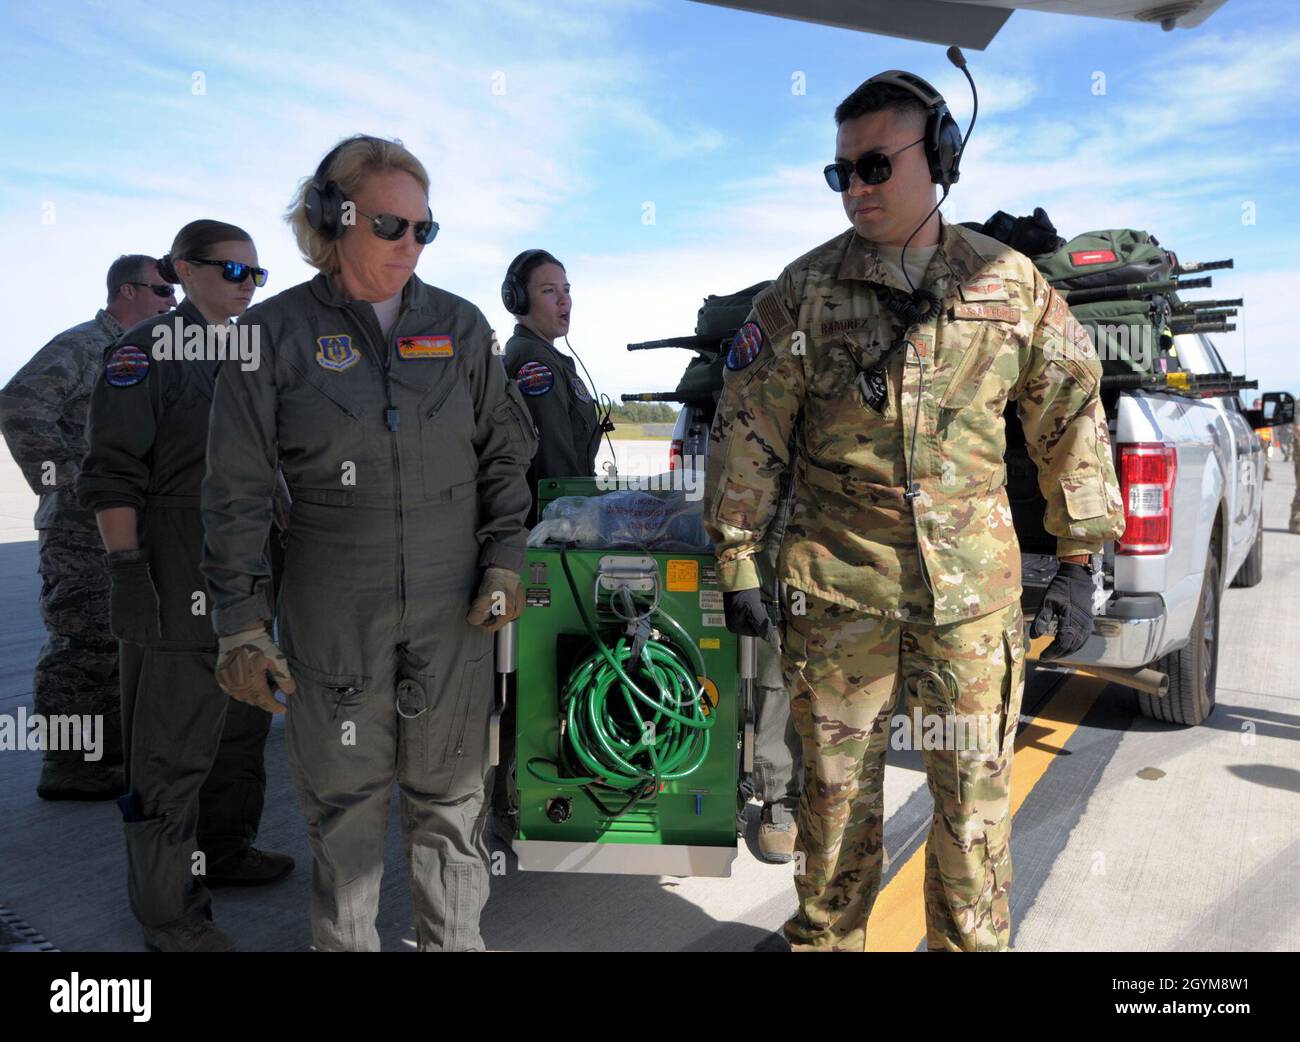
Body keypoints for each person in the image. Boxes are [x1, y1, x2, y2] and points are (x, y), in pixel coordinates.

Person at [704, 69, 1124, 951]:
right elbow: (750, 425)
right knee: (832, 812)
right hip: (839, 592)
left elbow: (1071, 416)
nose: (855, 188)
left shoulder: (1008, 285)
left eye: (873, 166)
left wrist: (1080, 563)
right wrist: (738, 558)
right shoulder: (805, 293)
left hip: (969, 603)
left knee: (972, 814)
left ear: (938, 158)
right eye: (840, 173)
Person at [201, 134, 536, 952]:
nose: (411, 246)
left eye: (426, 230)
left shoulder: (459, 327)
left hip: (452, 612)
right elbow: (234, 490)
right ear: (331, 218)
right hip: (332, 615)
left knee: (453, 806)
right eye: (392, 226)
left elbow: (506, 451)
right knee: (344, 812)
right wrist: (241, 627)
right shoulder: (271, 336)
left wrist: (504, 559)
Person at [78, 221, 294, 953]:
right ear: (184, 270)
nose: (246, 287)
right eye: (232, 272)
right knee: (169, 757)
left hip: (245, 580)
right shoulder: (142, 355)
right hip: (173, 577)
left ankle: (226, 850)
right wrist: (126, 570)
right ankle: (170, 918)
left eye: (256, 276)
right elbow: (111, 473)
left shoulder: (248, 356)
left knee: (240, 727)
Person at [0, 256, 175, 799]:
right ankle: (69, 764)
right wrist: (75, 481)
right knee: (82, 639)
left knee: (119, 632)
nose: (171, 300)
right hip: (80, 524)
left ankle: (109, 752)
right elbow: (18, 403)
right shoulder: (84, 345)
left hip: (126, 518)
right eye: (161, 289)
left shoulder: (145, 351)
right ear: (128, 291)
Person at [502, 249, 602, 526]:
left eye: (566, 290)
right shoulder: (535, 364)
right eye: (549, 291)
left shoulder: (548, 357)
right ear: (518, 300)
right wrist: (577, 524)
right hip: (556, 522)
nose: (563, 300)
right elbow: (553, 465)